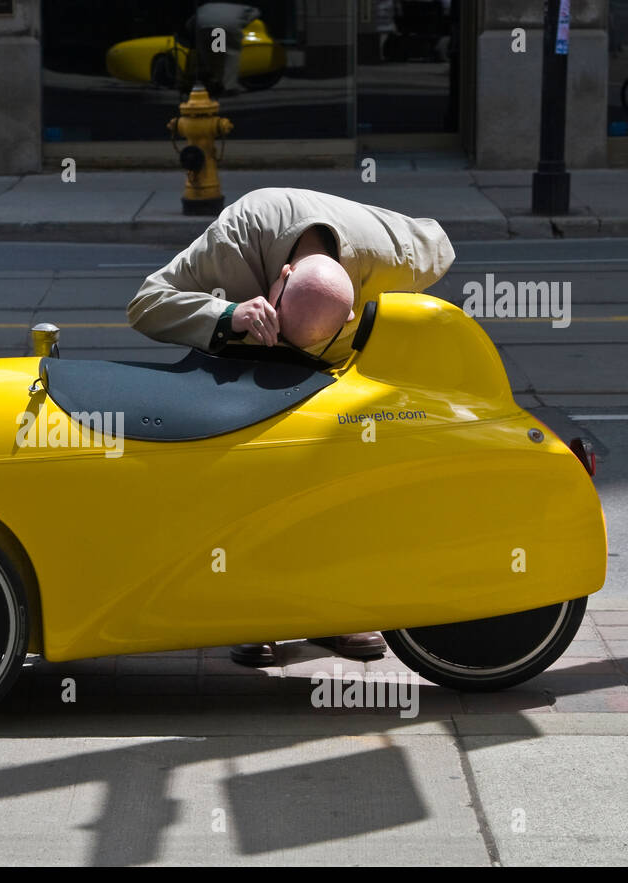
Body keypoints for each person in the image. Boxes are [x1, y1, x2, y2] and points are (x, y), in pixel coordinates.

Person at [127, 187, 455, 664]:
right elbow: (145, 302)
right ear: (280, 280)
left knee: (345, 460)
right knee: (246, 462)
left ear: (351, 310)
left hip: (337, 354)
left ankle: (337, 611)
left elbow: (441, 246)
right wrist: (229, 314)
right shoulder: (234, 241)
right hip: (243, 335)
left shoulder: (393, 259)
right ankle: (254, 610)